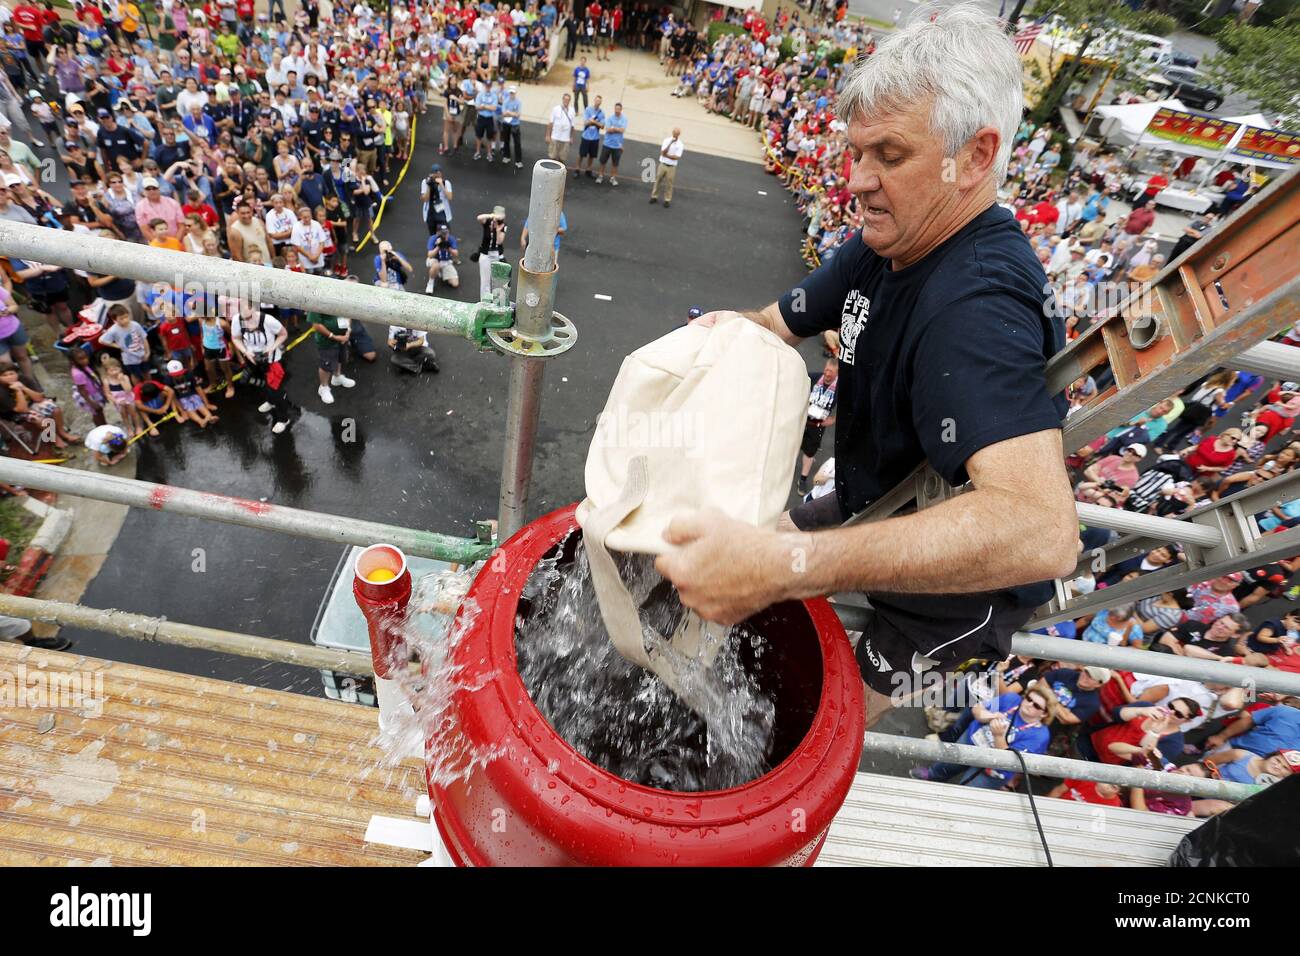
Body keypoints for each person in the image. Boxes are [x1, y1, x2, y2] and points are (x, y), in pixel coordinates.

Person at [656, 9, 1078, 728]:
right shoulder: (888, 241)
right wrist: (704, 354)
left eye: (888, 154)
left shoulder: (976, 302)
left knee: (808, 724)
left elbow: (1042, 531)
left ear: (976, 157)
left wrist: (779, 567)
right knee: (715, 581)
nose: (857, 181)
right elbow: (767, 327)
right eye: (855, 153)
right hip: (871, 501)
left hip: (951, 598)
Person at [911, 684, 1059, 790]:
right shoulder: (1013, 699)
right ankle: (932, 776)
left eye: (1037, 706)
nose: (1029, 704)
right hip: (972, 740)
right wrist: (989, 716)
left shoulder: (1039, 736)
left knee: (968, 791)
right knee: (947, 764)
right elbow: (977, 709)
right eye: (1028, 698)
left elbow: (1010, 761)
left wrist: (999, 736)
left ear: (1045, 714)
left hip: (993, 769)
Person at [231, 301, 292, 433]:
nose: (246, 321)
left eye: (249, 317)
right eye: (244, 318)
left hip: (272, 361)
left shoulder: (268, 320)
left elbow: (284, 334)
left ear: (255, 310)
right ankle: (270, 402)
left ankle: (283, 419)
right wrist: (245, 351)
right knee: (264, 385)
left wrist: (272, 348)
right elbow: (235, 338)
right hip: (253, 359)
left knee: (276, 392)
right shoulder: (238, 319)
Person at [798, 358, 838, 494]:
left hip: (817, 425)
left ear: (837, 374)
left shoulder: (839, 389)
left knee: (809, 453)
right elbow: (795, 383)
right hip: (801, 420)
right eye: (826, 370)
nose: (827, 374)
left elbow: (849, 407)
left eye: (831, 373)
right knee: (791, 444)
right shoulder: (813, 377)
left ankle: (802, 480)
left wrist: (833, 420)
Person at [308, 311, 356, 405]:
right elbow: (316, 324)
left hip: (343, 337)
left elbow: (349, 314)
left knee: (339, 358)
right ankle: (323, 387)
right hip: (326, 341)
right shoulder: (316, 300)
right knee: (326, 364)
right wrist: (333, 336)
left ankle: (337, 377)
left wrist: (348, 331)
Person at [475, 204, 508, 301]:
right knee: (485, 281)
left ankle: (498, 301)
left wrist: (497, 229)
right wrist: (491, 216)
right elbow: (479, 217)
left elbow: (499, 241)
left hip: (497, 255)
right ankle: (484, 301)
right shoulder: (487, 221)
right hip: (486, 255)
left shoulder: (503, 225)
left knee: (498, 280)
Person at [649, 128, 683, 207]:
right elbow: (662, 152)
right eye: (674, 133)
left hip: (671, 167)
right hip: (663, 164)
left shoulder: (680, 144)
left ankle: (667, 199)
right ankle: (654, 196)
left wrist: (667, 155)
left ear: (679, 135)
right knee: (658, 181)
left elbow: (677, 157)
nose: (675, 135)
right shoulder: (667, 140)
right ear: (672, 133)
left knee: (669, 184)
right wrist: (670, 144)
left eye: (677, 134)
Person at [595, 102, 627, 186]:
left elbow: (622, 130)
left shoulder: (624, 119)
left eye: (618, 109)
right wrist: (617, 129)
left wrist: (613, 128)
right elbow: (608, 130)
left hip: (617, 145)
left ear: (621, 110)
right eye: (615, 109)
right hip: (607, 144)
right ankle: (600, 176)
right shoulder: (610, 118)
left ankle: (613, 178)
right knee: (603, 161)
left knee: (615, 163)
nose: (617, 110)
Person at [575, 94, 604, 178]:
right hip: (586, 136)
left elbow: (602, 126)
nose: (598, 102)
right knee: (581, 154)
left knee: (592, 155)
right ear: (594, 101)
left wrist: (593, 122)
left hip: (595, 138)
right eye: (597, 100)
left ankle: (588, 169)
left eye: (599, 101)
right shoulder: (588, 110)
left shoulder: (601, 113)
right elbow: (585, 122)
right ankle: (577, 168)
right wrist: (596, 123)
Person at [426, 225, 460, 293]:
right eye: (442, 233)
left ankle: (441, 271)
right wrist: (438, 246)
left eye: (446, 233)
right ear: (437, 232)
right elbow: (430, 255)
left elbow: (456, 254)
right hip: (435, 260)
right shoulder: (433, 238)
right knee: (436, 266)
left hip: (446, 261)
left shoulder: (451, 239)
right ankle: (430, 283)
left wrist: (448, 247)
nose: (445, 235)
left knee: (455, 284)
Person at [546, 93, 576, 164]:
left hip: (565, 139)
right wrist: (548, 135)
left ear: (570, 101)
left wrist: (571, 137)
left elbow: (572, 126)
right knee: (552, 157)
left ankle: (559, 174)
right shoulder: (556, 109)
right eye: (565, 99)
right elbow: (550, 123)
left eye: (568, 100)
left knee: (562, 158)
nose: (566, 101)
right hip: (555, 137)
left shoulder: (572, 111)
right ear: (562, 99)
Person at [499, 85, 523, 169]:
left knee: (517, 143)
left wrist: (509, 112)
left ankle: (518, 161)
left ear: (515, 93)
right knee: (506, 140)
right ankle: (507, 156)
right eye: (510, 93)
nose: (511, 94)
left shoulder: (519, 102)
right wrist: (513, 113)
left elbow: (518, 114)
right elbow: (503, 113)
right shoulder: (506, 101)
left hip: (515, 124)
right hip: (506, 123)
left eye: (513, 93)